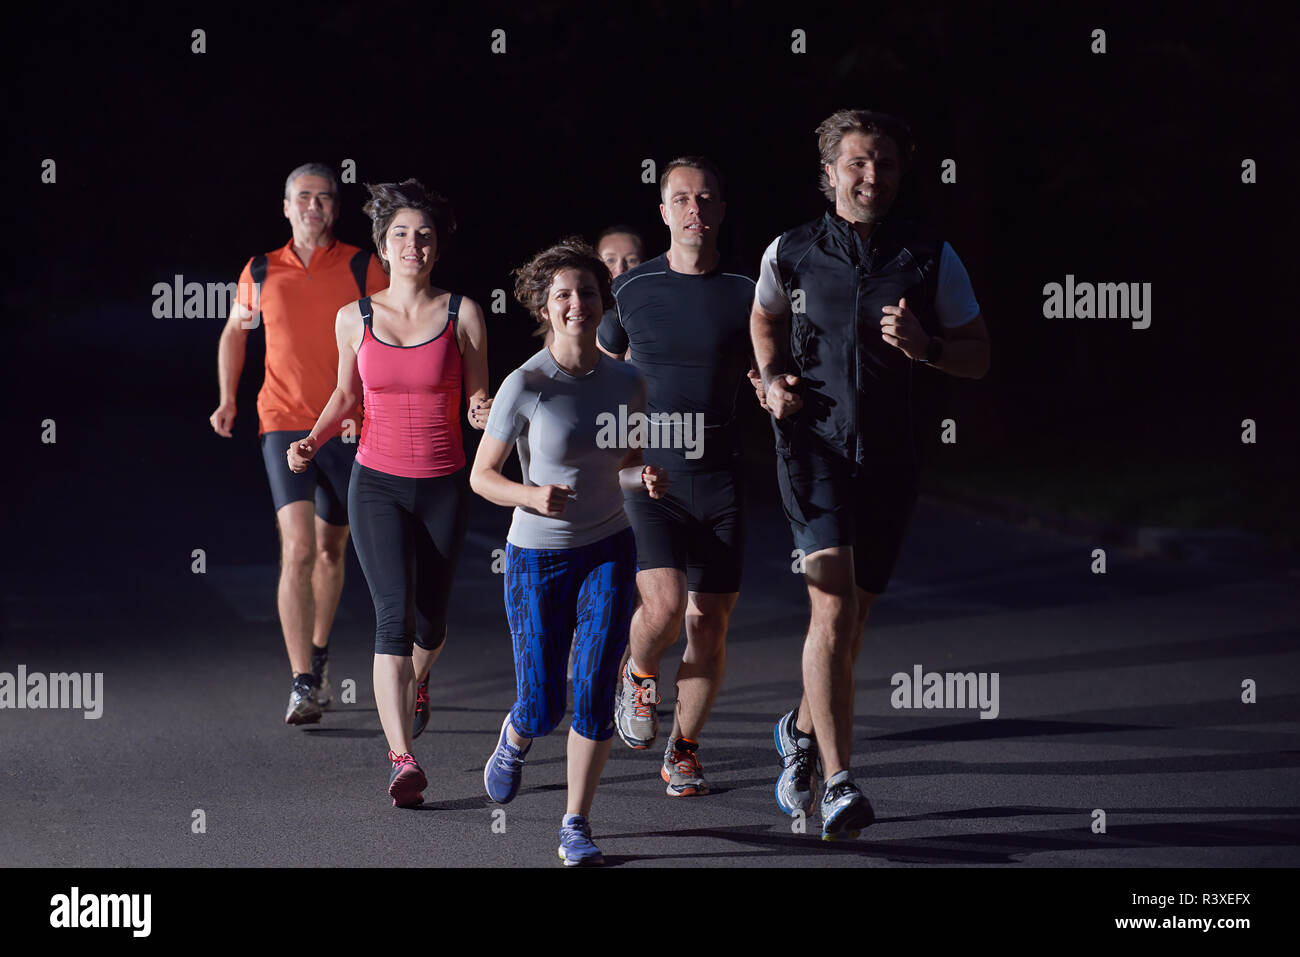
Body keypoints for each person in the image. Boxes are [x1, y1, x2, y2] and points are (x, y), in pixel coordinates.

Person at [750, 110, 991, 839]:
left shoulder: (930, 256)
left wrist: (929, 345)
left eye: (884, 161)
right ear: (828, 174)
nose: (872, 175)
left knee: (854, 615)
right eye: (857, 161)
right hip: (811, 447)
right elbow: (762, 320)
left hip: (891, 455)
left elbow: (979, 354)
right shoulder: (789, 251)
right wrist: (770, 379)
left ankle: (796, 728)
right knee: (830, 608)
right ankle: (839, 783)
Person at [288, 179, 490, 807]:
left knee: (431, 623)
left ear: (437, 247)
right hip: (375, 482)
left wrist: (483, 409)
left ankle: (419, 682)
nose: (413, 244)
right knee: (393, 619)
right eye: (401, 234)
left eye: (424, 235)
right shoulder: (356, 317)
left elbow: (481, 396)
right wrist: (312, 442)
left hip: (443, 484)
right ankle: (402, 759)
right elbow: (346, 396)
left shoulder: (464, 312)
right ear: (384, 243)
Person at [471, 238, 667, 865]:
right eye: (563, 295)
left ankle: (575, 823)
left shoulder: (628, 380)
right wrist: (530, 495)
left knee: (589, 690)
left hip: (609, 546)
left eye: (586, 292)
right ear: (545, 307)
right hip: (535, 557)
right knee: (542, 701)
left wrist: (646, 479)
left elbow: (627, 465)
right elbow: (482, 476)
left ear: (600, 301)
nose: (576, 303)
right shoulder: (525, 383)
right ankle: (516, 736)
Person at [597, 157, 757, 798]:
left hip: (720, 477)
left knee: (709, 624)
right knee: (663, 608)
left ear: (720, 210)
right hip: (651, 475)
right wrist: (621, 458)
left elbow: (768, 359)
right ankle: (638, 672)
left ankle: (683, 751)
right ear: (663, 211)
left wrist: (769, 383)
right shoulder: (634, 289)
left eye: (707, 198)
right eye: (682, 199)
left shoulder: (749, 289)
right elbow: (599, 371)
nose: (696, 209)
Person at [211, 162, 388, 725]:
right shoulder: (261, 269)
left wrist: (373, 412)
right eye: (303, 197)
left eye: (324, 198)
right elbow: (235, 331)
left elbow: (392, 340)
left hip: (345, 424)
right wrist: (228, 398)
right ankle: (302, 681)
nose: (314, 206)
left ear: (336, 208)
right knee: (298, 547)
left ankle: (319, 651)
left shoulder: (365, 267)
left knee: (333, 550)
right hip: (282, 420)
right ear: (286, 207)